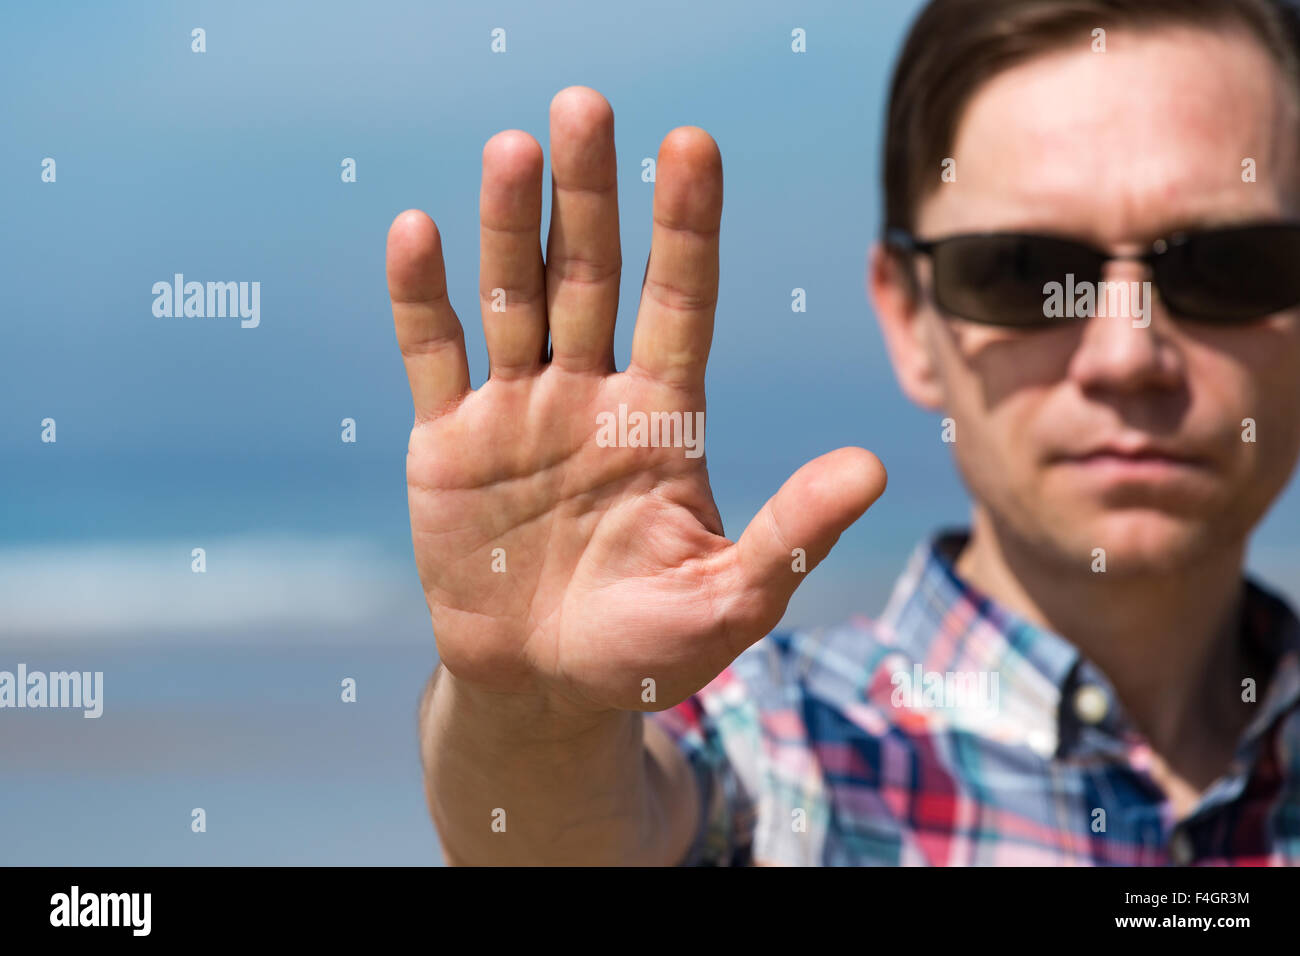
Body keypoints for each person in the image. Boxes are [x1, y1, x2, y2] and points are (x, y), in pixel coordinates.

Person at [389, 0, 1300, 865]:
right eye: (1024, 272)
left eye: (1230, 267)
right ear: (909, 319)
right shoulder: (780, 752)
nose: (1127, 355)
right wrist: (538, 711)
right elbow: (587, 834)